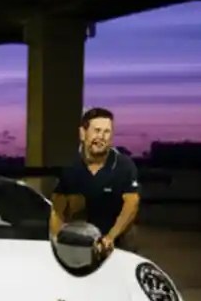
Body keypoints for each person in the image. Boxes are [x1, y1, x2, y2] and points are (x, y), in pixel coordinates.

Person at [50, 107, 141, 255]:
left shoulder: (124, 165)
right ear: (83, 133)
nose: (102, 137)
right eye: (97, 130)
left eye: (107, 132)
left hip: (119, 240)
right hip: (80, 240)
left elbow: (132, 204)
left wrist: (110, 237)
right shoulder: (69, 167)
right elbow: (58, 209)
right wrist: (56, 240)